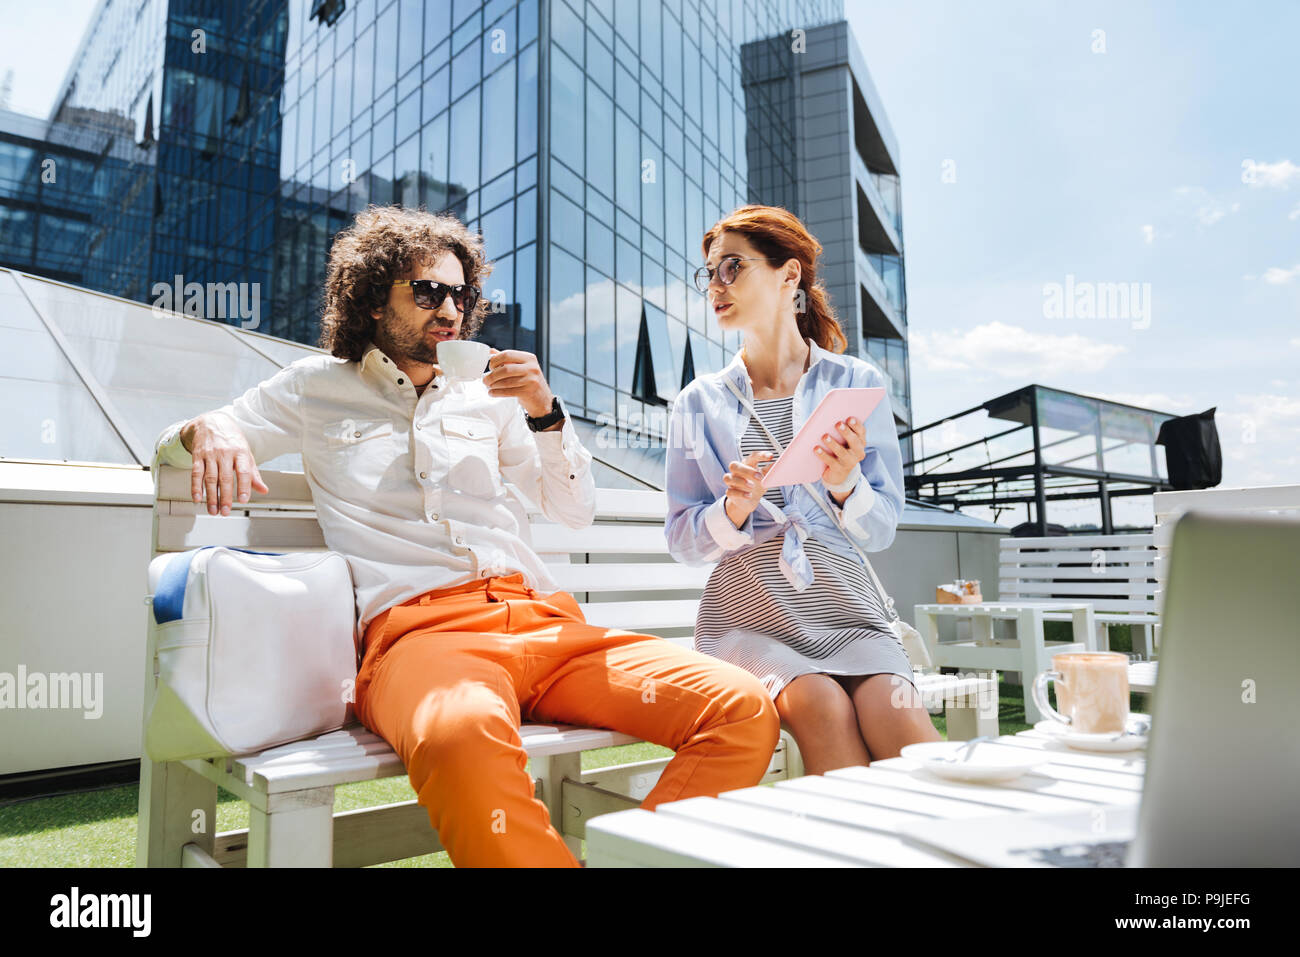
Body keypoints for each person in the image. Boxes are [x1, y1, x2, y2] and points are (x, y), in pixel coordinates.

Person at [152, 205, 779, 867]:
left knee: (739, 706)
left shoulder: (491, 397)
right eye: (427, 291)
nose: (449, 308)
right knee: (459, 734)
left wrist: (545, 413)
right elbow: (177, 442)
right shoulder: (315, 391)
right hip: (421, 640)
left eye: (461, 293)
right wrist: (207, 430)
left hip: (544, 625)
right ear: (371, 301)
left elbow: (572, 509)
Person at [664, 204, 942, 775]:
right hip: (748, 614)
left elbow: (883, 527)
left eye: (732, 268)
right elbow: (682, 540)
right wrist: (731, 510)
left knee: (897, 713)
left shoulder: (856, 382)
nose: (716, 286)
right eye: (709, 273)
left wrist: (846, 485)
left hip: (847, 608)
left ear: (789, 275)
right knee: (821, 705)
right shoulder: (699, 401)